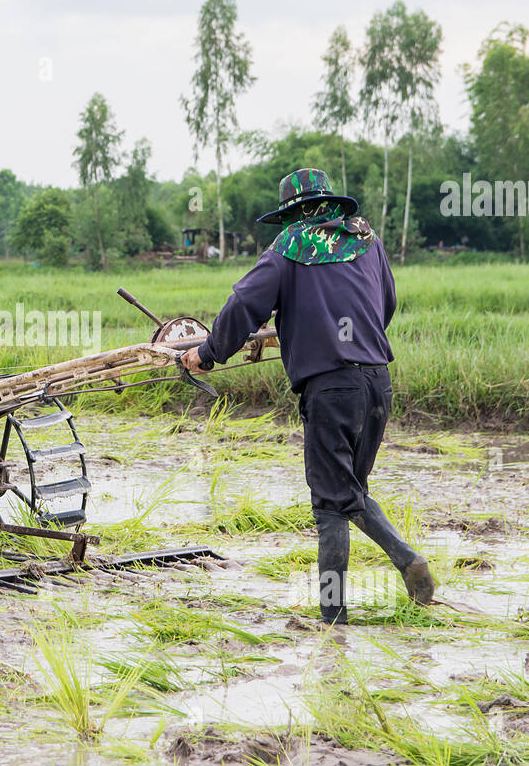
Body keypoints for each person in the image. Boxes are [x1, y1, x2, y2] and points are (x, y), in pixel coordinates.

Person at [181, 168, 436, 625]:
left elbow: (243, 306)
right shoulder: (367, 238)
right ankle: (389, 573)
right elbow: (387, 304)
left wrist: (208, 353)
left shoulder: (289, 247)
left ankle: (343, 610)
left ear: (292, 212)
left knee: (329, 503)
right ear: (329, 203)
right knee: (347, 492)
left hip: (331, 390)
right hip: (378, 382)